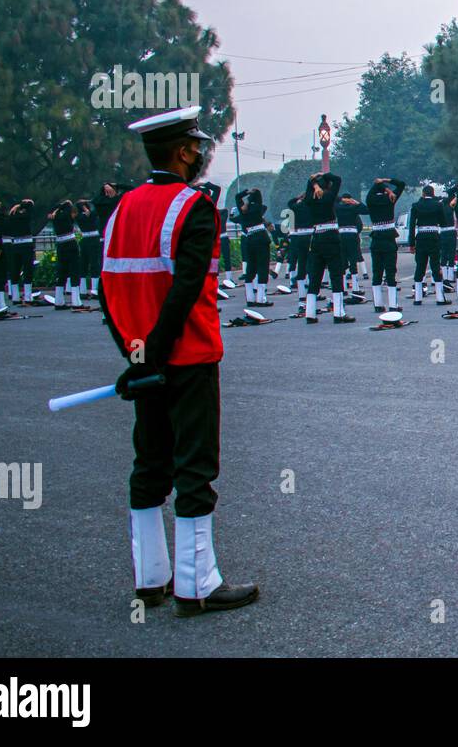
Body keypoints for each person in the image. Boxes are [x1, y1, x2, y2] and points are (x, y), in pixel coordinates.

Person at [98, 106, 258, 616]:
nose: (200, 154)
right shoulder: (195, 207)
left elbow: (106, 287)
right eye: (197, 146)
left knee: (148, 464)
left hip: (143, 357)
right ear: (185, 151)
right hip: (188, 355)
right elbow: (187, 288)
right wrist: (159, 353)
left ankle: (150, 579)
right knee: (194, 467)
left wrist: (137, 355)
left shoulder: (122, 208)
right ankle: (196, 583)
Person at [304, 172, 355, 323]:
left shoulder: (310, 199)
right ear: (327, 185)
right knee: (336, 275)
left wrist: (313, 182)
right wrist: (324, 174)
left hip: (317, 236)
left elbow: (309, 187)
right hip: (331, 236)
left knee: (315, 276)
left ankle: (310, 313)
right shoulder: (328, 196)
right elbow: (338, 178)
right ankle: (338, 313)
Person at [365, 176, 405, 311]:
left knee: (377, 272)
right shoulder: (390, 198)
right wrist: (386, 181)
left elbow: (373, 189)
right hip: (389, 238)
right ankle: (393, 305)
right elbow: (401, 184)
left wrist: (378, 184)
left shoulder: (370, 200)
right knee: (390, 272)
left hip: (376, 238)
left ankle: (378, 305)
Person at [407, 184, 449, 306]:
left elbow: (411, 226)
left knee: (420, 266)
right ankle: (440, 298)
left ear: (423, 194)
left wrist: (411, 243)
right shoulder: (438, 205)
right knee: (435, 266)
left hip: (420, 237)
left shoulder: (416, 206)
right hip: (434, 237)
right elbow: (443, 223)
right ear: (433, 193)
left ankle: (418, 298)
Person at [234, 188, 272, 307]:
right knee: (262, 267)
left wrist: (245, 192)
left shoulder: (242, 209)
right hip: (260, 237)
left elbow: (237, 197)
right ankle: (261, 299)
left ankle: (250, 298)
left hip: (249, 238)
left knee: (250, 269)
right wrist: (254, 192)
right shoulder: (257, 208)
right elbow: (259, 196)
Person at [47, 198, 82, 309]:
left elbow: (56, 209)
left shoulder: (55, 216)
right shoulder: (67, 216)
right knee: (74, 272)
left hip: (60, 245)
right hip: (70, 244)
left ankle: (59, 301)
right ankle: (76, 302)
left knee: (61, 272)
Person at [76, 198, 103, 298]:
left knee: (83, 264)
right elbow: (96, 210)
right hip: (94, 239)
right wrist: (91, 201)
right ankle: (94, 290)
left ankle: (82, 291)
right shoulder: (91, 215)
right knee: (95, 264)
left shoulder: (78, 216)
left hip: (84, 239)